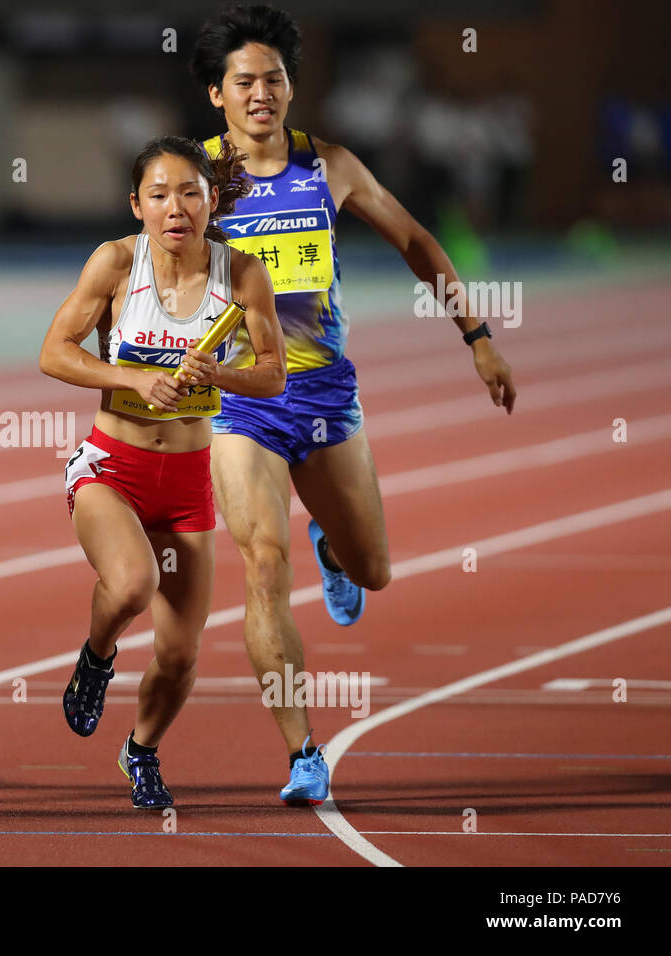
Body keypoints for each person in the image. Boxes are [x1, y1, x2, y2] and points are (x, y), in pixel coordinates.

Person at [189, 5, 519, 804]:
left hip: (327, 396)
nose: (261, 93)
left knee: (374, 568)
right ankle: (304, 751)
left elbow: (413, 238)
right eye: (245, 82)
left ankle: (335, 549)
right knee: (263, 565)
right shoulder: (193, 178)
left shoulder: (330, 166)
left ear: (292, 87)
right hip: (244, 402)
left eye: (274, 78)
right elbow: (141, 274)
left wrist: (475, 332)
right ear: (216, 95)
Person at [39, 136, 286, 808]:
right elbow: (54, 353)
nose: (175, 207)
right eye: (159, 194)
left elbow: (274, 374)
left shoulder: (241, 276)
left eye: (189, 192)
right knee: (132, 584)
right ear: (137, 205)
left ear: (210, 200)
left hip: (185, 483)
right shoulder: (117, 263)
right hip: (112, 469)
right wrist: (132, 378)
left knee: (180, 655)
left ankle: (140, 751)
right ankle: (97, 658)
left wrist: (223, 374)